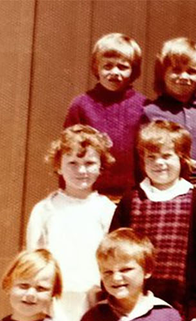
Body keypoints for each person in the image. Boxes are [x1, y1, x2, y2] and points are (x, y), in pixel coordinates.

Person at [110, 120, 196, 321]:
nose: (159, 163)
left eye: (167, 156)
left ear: (182, 159)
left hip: (183, 303)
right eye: (151, 157)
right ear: (142, 161)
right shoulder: (130, 200)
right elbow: (114, 250)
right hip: (134, 301)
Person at [25, 125, 117, 321]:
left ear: (101, 166)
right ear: (58, 165)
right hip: (55, 299)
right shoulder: (45, 209)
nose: (81, 170)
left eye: (89, 162)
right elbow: (34, 257)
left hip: (94, 297)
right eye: (72, 162)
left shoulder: (106, 209)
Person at [64, 33, 147, 198]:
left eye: (122, 67)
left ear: (134, 70)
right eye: (107, 66)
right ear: (96, 68)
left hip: (133, 194)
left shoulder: (144, 106)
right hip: (91, 194)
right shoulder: (81, 105)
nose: (115, 72)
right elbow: (67, 153)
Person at [142, 37, 196, 191]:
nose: (184, 76)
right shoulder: (151, 111)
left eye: (192, 71)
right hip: (168, 185)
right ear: (162, 74)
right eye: (176, 70)